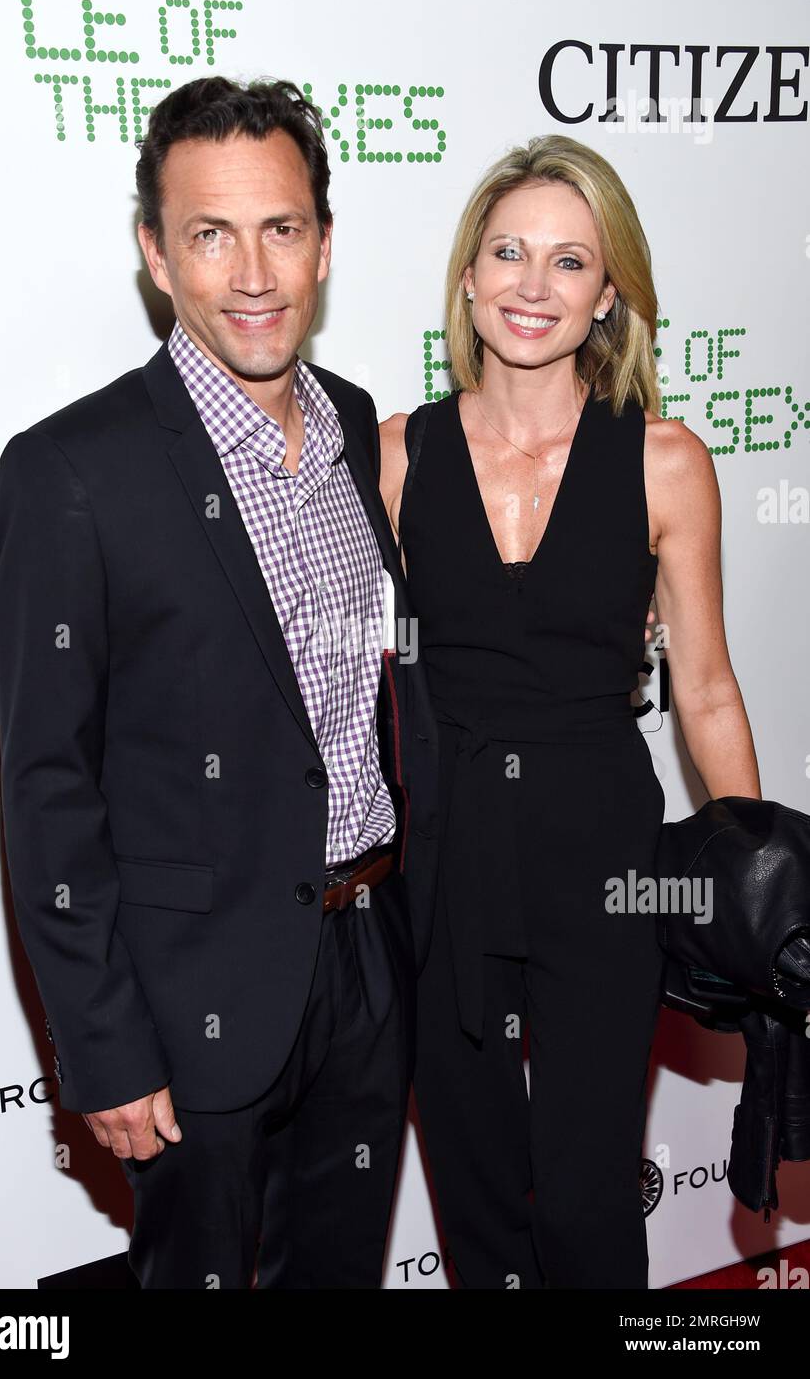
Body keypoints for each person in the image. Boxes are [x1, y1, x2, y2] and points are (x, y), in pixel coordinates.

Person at [0, 75, 440, 1290]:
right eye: (209, 233)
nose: (252, 272)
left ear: (325, 243)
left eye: (281, 228)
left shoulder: (351, 423)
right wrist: (105, 1047)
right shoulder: (69, 474)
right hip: (191, 1003)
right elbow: (45, 786)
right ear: (155, 252)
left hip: (366, 959)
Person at [378, 134, 762, 1289]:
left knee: (591, 1191)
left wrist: (747, 880)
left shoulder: (663, 461)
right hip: (440, 864)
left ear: (609, 294)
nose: (530, 287)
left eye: (566, 261)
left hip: (606, 866)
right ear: (466, 276)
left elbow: (702, 686)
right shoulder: (397, 455)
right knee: (476, 1186)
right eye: (506, 253)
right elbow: (365, 678)